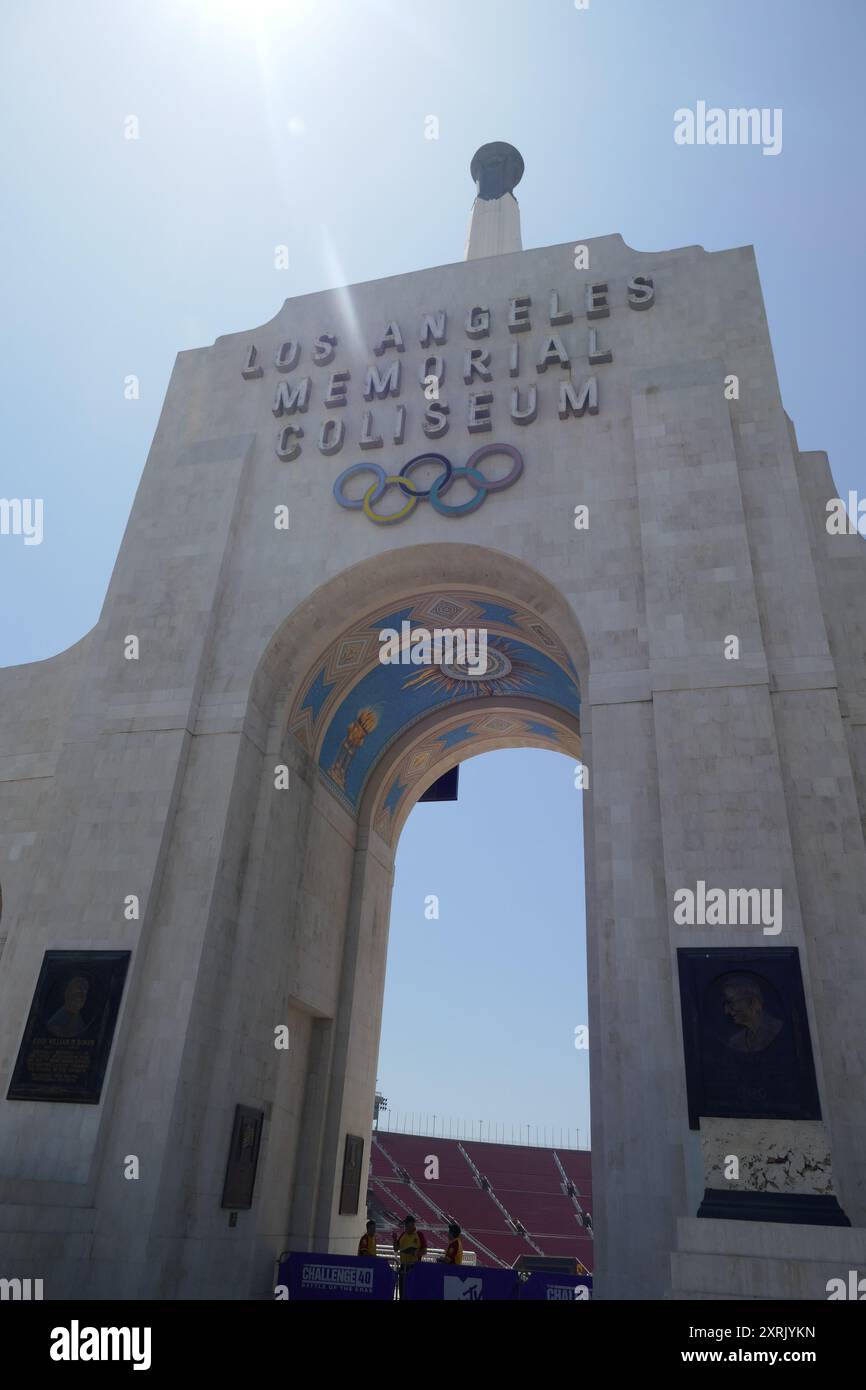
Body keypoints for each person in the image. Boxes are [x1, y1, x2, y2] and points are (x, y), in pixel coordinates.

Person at [393, 1215, 427, 1295]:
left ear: (413, 1224)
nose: (405, 1226)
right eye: (405, 1224)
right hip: (403, 1266)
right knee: (402, 1290)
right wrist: (394, 1239)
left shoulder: (419, 1234)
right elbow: (396, 1249)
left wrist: (415, 1253)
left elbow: (424, 1251)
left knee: (412, 1291)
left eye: (407, 1224)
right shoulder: (403, 1234)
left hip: (414, 1267)